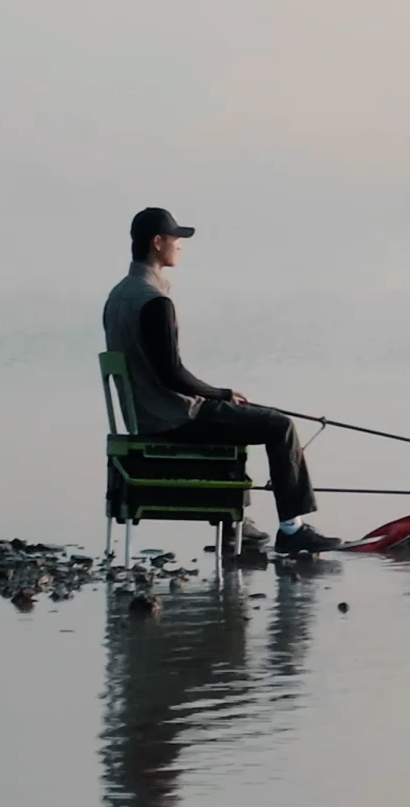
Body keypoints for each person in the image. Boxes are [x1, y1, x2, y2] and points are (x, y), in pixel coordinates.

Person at [103, 206, 343, 554]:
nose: (180, 246)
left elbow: (161, 371)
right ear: (157, 243)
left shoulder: (117, 296)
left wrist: (216, 398)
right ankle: (292, 530)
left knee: (242, 419)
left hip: (147, 415)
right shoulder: (154, 300)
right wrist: (222, 393)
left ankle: (236, 526)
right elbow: (172, 374)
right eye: (175, 239)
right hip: (172, 419)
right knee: (280, 426)